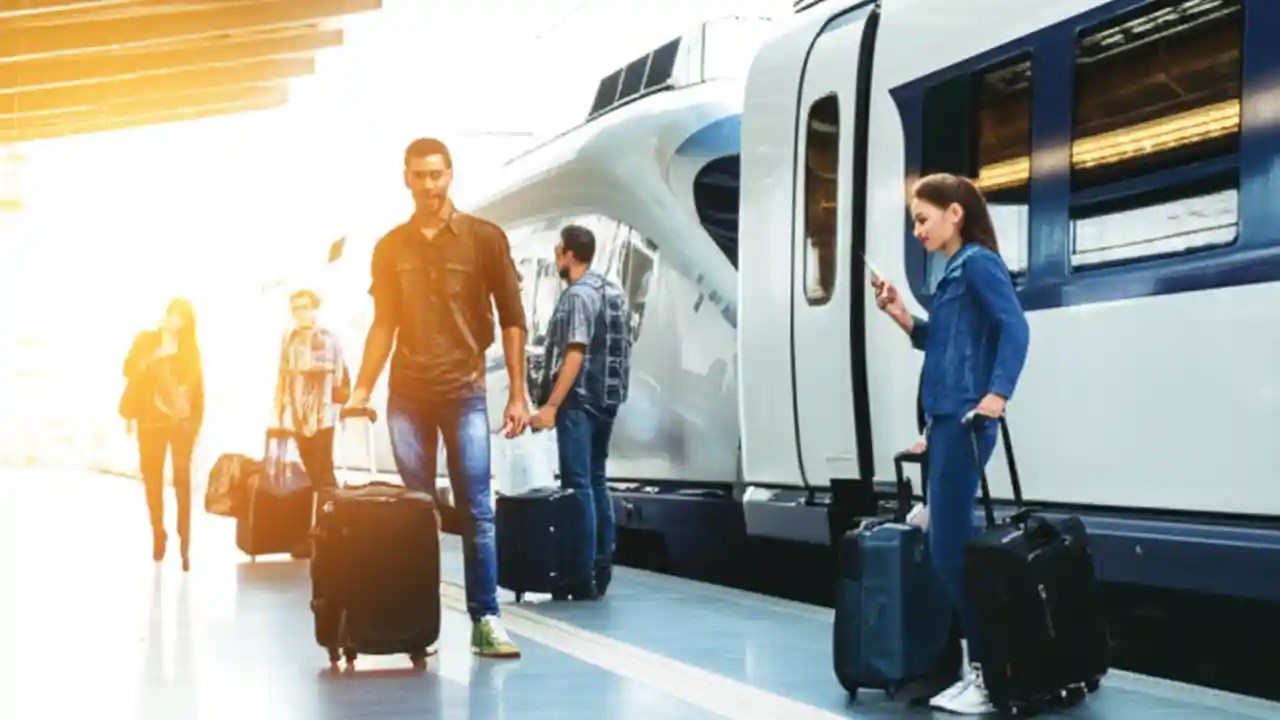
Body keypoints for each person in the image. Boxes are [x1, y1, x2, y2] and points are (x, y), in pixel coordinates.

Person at [345, 137, 530, 659]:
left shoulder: (483, 240)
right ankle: (414, 620)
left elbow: (513, 320)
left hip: (465, 392)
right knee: (416, 513)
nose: (430, 186)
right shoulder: (390, 248)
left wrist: (518, 394)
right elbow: (385, 324)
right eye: (420, 176)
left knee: (476, 508)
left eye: (438, 175)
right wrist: (362, 388)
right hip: (407, 393)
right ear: (406, 177)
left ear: (451, 176)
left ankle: (486, 619)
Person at [869, 172, 1030, 715]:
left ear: (954, 213)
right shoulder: (953, 271)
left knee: (949, 552)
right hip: (944, 425)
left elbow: (1015, 328)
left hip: (964, 424)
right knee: (947, 546)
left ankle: (988, 676)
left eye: (922, 219)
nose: (917, 230)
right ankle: (979, 665)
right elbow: (941, 341)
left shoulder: (980, 263)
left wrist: (997, 395)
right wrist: (899, 314)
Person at [529, 224, 632, 600]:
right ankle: (600, 567)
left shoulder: (578, 296)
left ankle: (579, 574)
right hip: (607, 402)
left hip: (580, 403)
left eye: (559, 249)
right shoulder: (612, 290)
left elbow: (575, 352)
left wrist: (552, 405)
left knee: (578, 486)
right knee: (597, 481)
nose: (557, 256)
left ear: (569, 254)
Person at [121, 298, 205, 572]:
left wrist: (195, 424)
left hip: (180, 424)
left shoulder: (191, 350)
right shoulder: (147, 340)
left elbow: (197, 392)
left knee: (182, 479)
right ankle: (158, 532)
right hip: (150, 420)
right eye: (172, 314)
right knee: (152, 479)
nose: (174, 320)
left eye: (181, 317)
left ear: (187, 323)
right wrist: (154, 356)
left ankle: (186, 543)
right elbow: (128, 369)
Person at [273, 288, 350, 559]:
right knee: (313, 473)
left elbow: (338, 376)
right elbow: (284, 373)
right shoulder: (290, 338)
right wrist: (280, 409)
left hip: (323, 414)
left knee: (323, 471)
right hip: (297, 414)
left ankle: (331, 530)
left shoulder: (328, 338)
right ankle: (330, 526)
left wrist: (337, 409)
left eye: (305, 307)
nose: (301, 313)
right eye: (296, 308)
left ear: (315, 308)